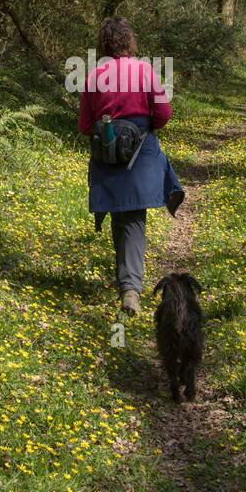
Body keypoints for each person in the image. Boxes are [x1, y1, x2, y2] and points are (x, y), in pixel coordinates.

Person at [77, 17, 184, 315]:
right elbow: (163, 113)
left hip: (107, 153)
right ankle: (130, 289)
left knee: (121, 214)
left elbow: (86, 126)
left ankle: (128, 284)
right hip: (138, 152)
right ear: (129, 41)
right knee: (131, 217)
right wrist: (144, 125)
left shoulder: (93, 76)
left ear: (104, 43)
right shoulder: (144, 71)